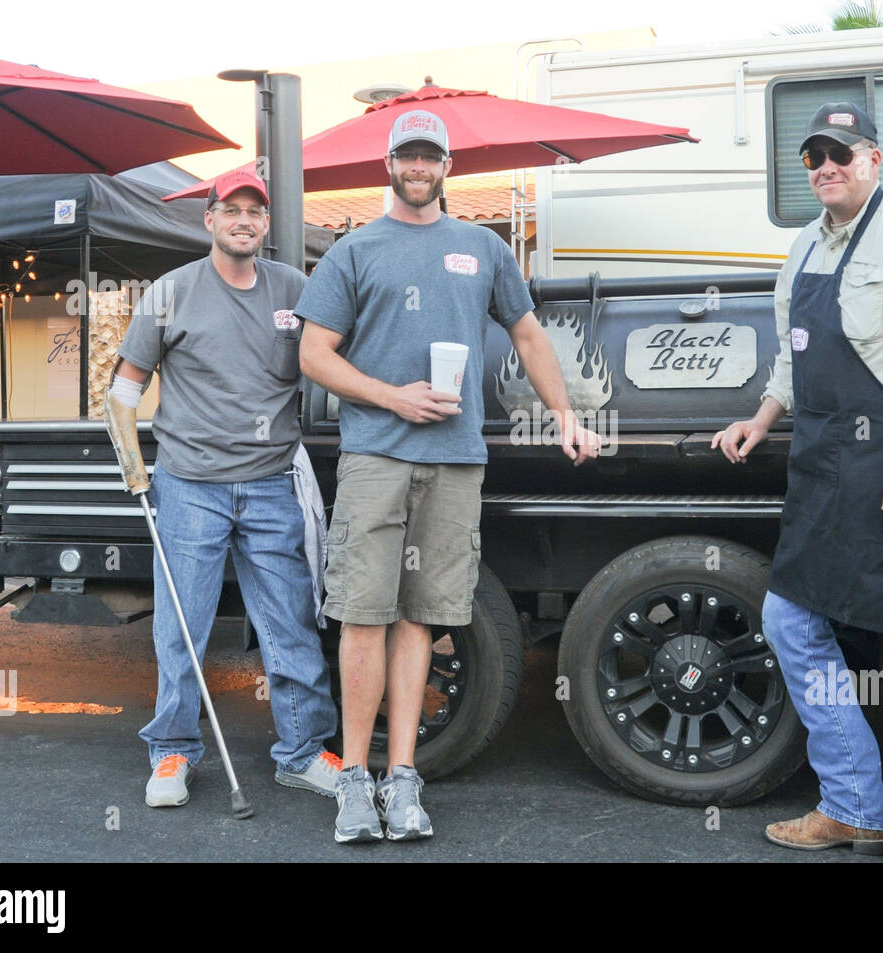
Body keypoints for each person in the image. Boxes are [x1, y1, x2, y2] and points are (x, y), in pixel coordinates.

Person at [296, 109, 601, 843]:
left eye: (431, 156)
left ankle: (403, 778)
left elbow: (528, 332)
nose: (419, 167)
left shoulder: (482, 247)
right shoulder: (354, 250)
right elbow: (314, 354)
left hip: (457, 460)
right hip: (375, 456)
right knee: (362, 615)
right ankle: (354, 781)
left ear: (447, 166)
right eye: (408, 155)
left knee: (420, 618)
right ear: (390, 163)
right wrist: (392, 395)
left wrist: (565, 412)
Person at [713, 102, 883, 862]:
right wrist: (761, 419)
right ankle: (855, 805)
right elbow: (796, 358)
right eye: (813, 157)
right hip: (824, 464)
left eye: (841, 152)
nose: (825, 166)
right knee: (791, 623)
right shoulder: (802, 246)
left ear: (874, 158)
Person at [113, 169, 341, 808]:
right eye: (231, 209)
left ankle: (300, 753)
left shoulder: (296, 289)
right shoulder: (171, 292)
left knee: (290, 622)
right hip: (189, 486)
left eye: (255, 212)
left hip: (272, 482)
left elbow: (333, 352)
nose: (244, 220)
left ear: (266, 224)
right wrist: (134, 468)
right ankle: (173, 754)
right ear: (208, 219)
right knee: (182, 628)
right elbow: (123, 391)